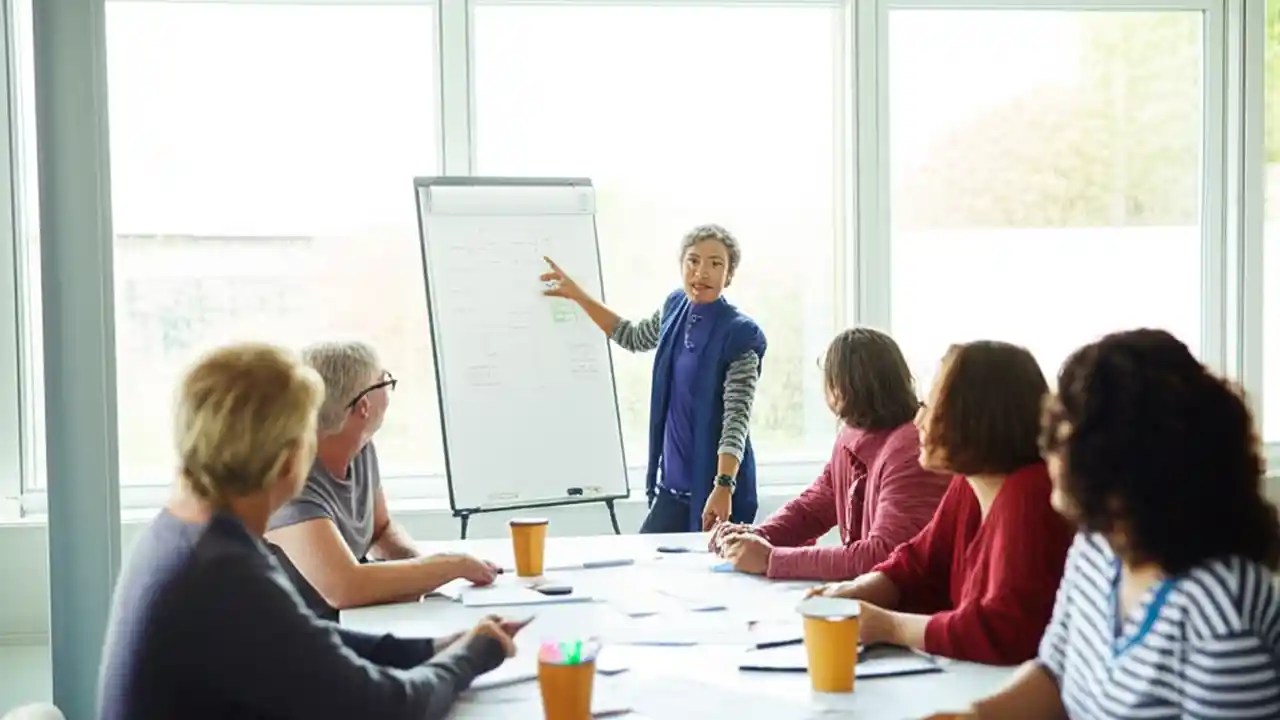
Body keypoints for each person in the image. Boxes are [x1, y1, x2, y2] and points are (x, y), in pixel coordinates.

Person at [98, 343, 519, 720]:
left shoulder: (186, 530)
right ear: (288, 459)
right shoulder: (222, 570)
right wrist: (473, 656)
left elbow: (308, 639)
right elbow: (388, 706)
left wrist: (436, 647)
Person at [940, 330, 1280, 719]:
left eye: (1063, 433)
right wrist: (972, 716)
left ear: (1122, 459)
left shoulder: (1219, 606)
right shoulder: (1095, 548)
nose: (1048, 450)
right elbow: (1054, 672)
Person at [810, 341, 1074, 665]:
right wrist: (854, 592)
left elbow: (1003, 631)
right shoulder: (968, 484)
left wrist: (887, 626)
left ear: (975, 416)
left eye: (930, 405)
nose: (918, 419)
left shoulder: (1030, 493)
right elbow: (918, 564)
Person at [541, 224, 767, 533]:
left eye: (715, 264)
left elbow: (736, 419)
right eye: (693, 261)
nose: (702, 272)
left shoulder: (741, 334)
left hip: (715, 493)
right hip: (671, 493)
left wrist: (724, 485)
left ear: (728, 275)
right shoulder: (675, 307)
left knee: (711, 580)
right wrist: (577, 295)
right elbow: (632, 336)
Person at [266, 341, 497, 620]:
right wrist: (452, 565)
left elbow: (381, 530)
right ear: (363, 406)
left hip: (346, 623)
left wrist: (419, 567)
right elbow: (343, 587)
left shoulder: (360, 448)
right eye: (384, 380)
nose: (389, 388)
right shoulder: (289, 479)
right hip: (292, 636)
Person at [710, 327, 949, 580]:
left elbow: (885, 556)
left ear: (840, 388)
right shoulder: (853, 432)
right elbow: (815, 506)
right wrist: (759, 536)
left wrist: (771, 559)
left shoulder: (911, 449)